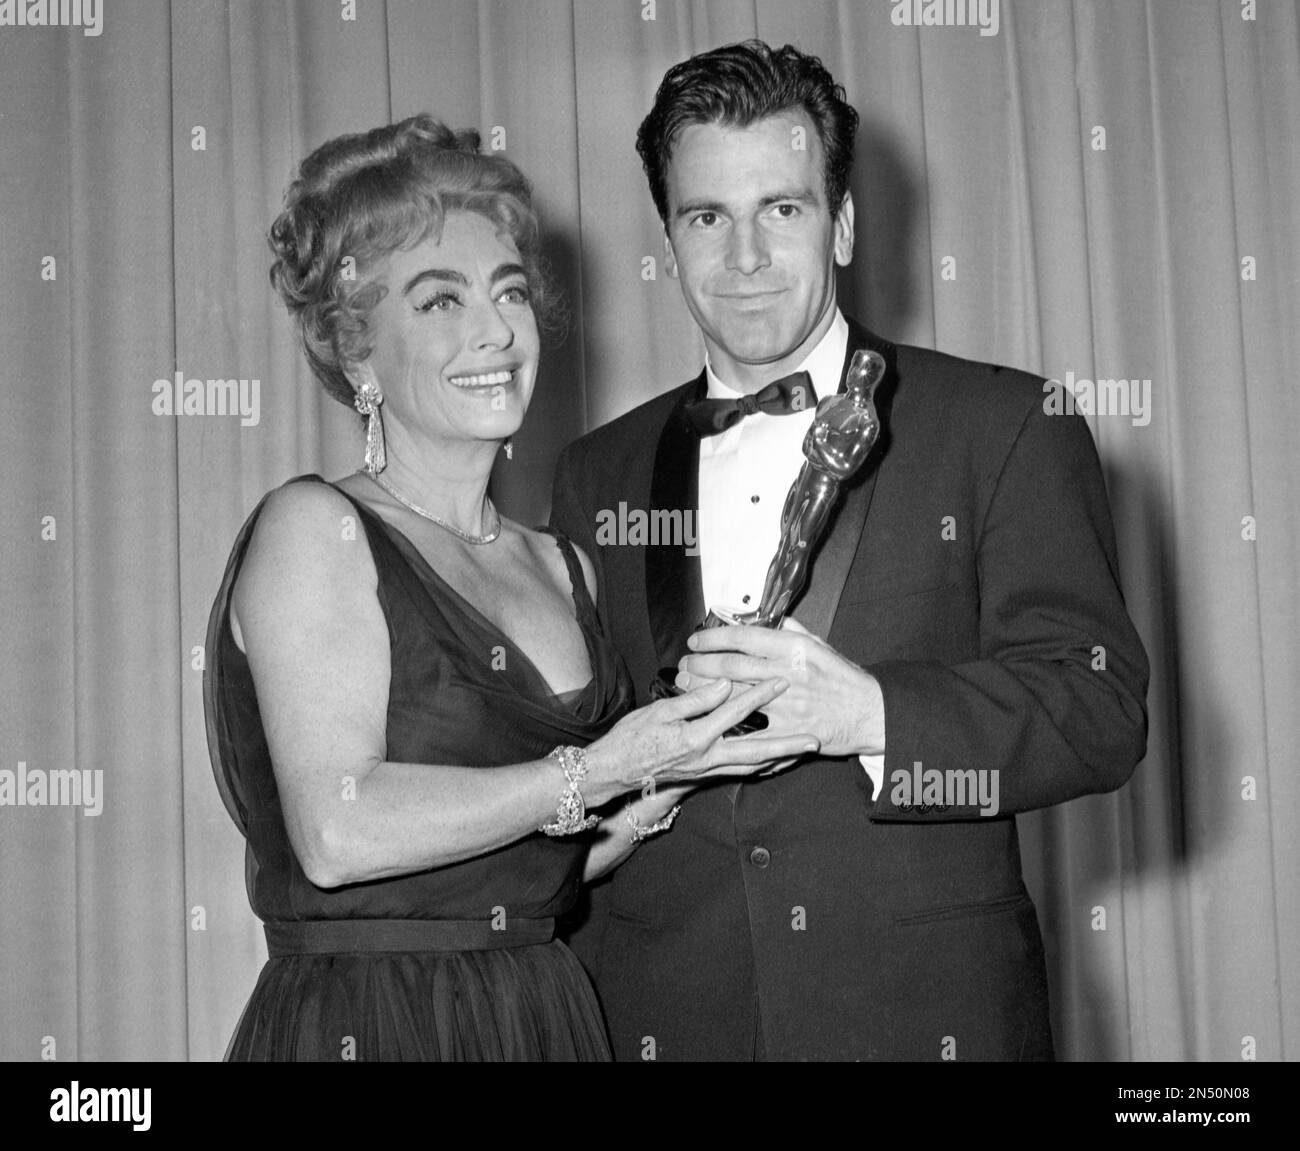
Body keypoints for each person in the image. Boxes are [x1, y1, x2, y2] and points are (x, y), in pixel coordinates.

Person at [551, 41, 1150, 1061]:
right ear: (667, 237)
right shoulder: (590, 470)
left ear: (843, 224)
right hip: (657, 1016)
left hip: (927, 1018)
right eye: (707, 217)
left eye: (780, 208)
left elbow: (1099, 711)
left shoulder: (1003, 422)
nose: (743, 255)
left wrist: (866, 714)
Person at [202, 114, 816, 1062]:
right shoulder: (314, 528)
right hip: (373, 1019)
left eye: (510, 291)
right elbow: (335, 831)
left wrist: (662, 780)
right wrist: (601, 768)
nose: (495, 329)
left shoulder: (560, 561)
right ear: (356, 352)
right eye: (439, 301)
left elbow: (539, 866)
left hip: (544, 1009)